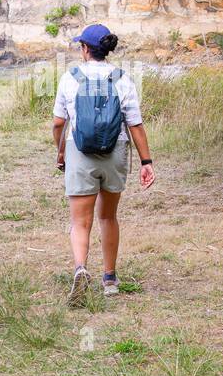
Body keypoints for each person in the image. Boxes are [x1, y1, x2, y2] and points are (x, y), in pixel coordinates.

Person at [52, 24, 154, 305]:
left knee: (79, 221)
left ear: (85, 49)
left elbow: (59, 123)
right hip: (114, 154)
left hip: (79, 153)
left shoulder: (69, 78)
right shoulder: (122, 79)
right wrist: (146, 161)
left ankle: (80, 268)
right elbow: (135, 124)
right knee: (108, 217)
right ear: (106, 49)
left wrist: (60, 152)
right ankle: (109, 278)